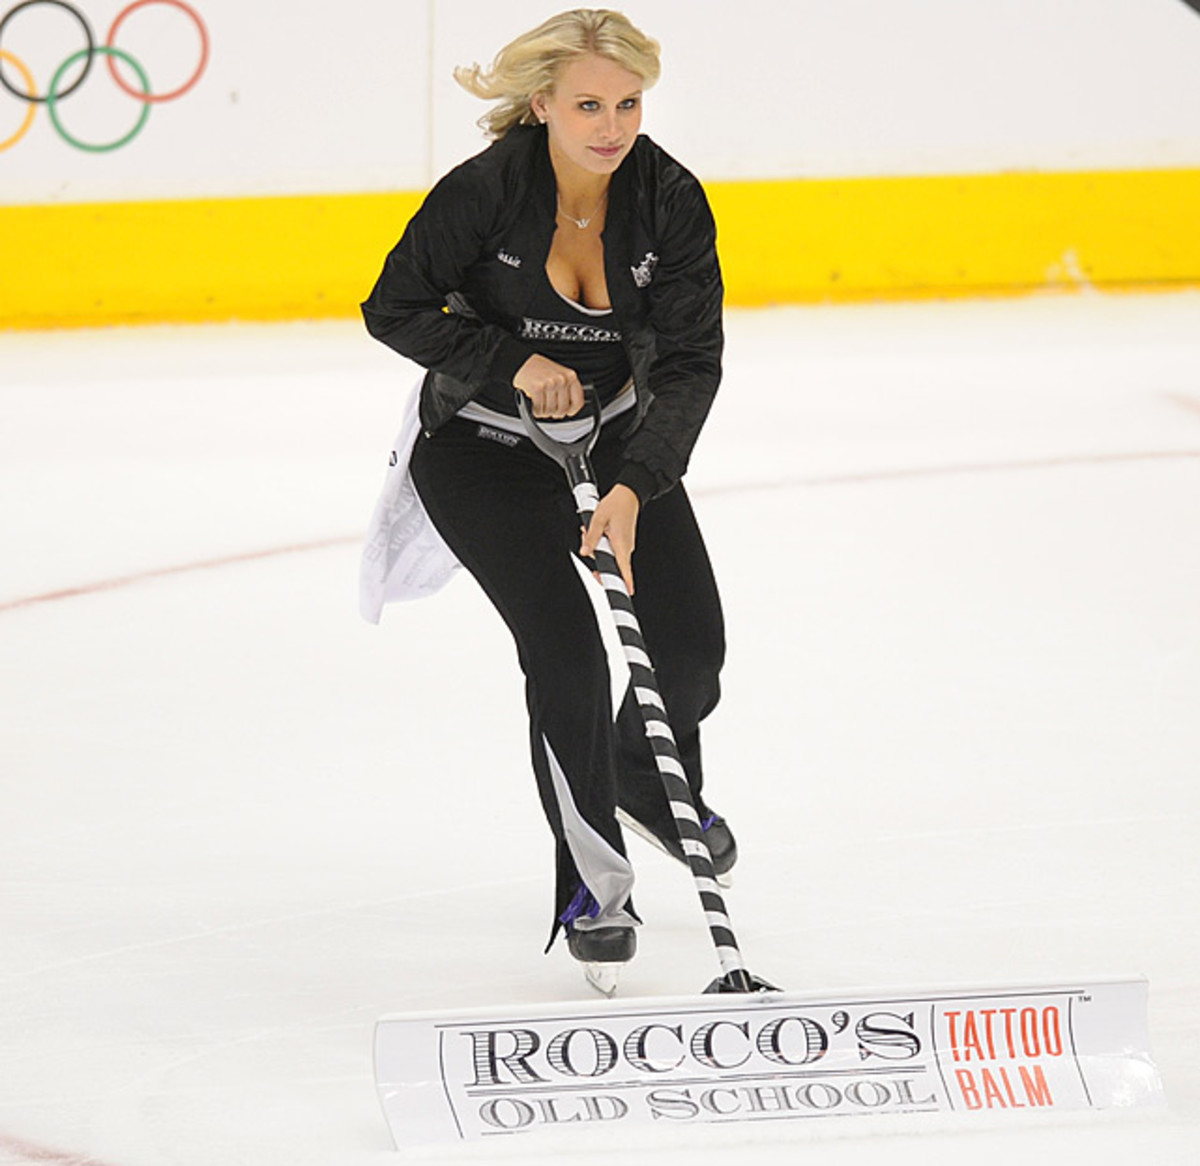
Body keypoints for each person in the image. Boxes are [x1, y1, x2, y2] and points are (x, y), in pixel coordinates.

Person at [361, 8, 733, 973]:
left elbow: (692, 361)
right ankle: (590, 883)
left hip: (615, 440)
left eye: (629, 104)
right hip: (482, 452)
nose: (611, 127)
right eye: (588, 106)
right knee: (567, 656)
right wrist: (509, 361)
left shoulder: (669, 199)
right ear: (542, 105)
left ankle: (646, 781)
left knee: (689, 654)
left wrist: (638, 486)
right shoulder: (483, 193)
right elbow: (391, 306)